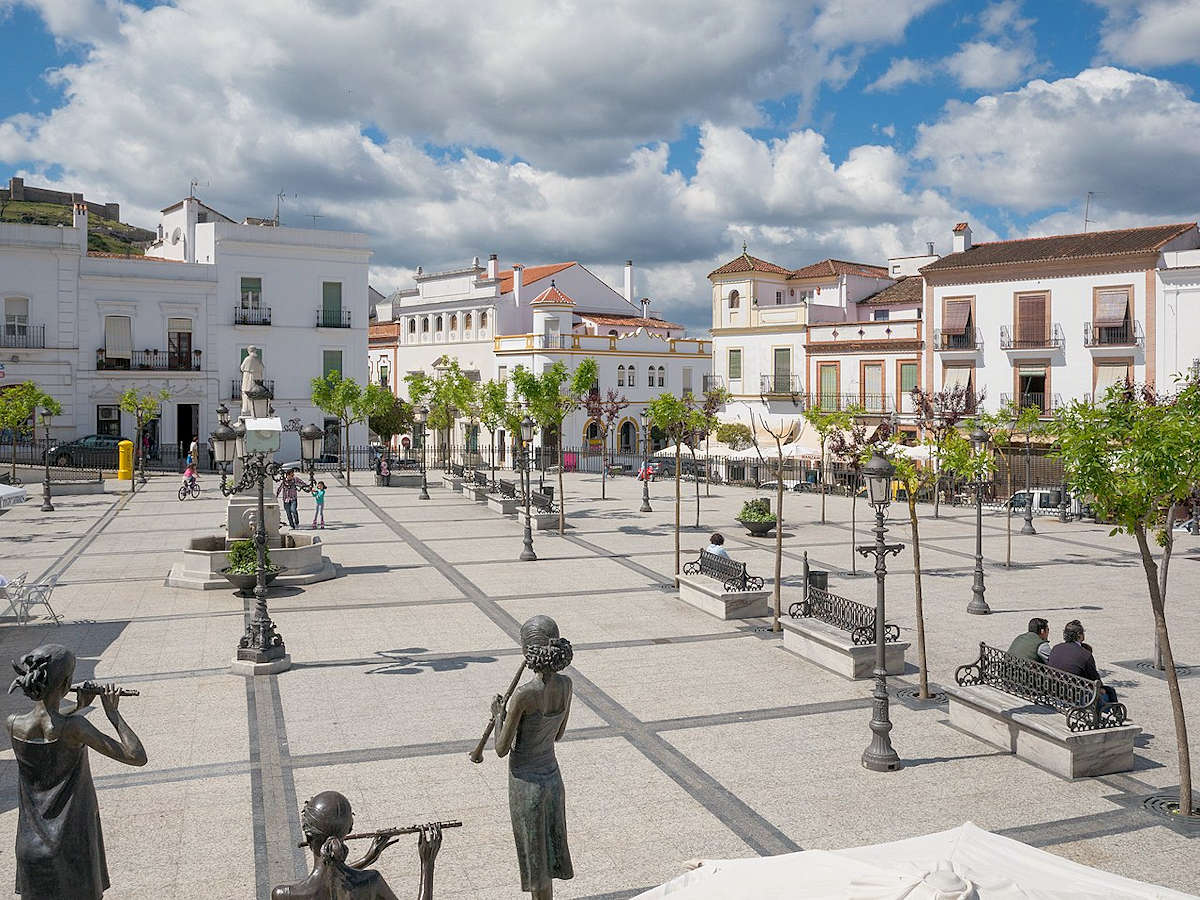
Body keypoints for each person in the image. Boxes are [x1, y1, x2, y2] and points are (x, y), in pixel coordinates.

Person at [7, 644, 147, 899]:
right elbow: (136, 756)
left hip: (30, 847)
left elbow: (46, 727)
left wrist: (76, 706)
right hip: (70, 845)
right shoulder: (75, 728)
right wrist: (113, 714)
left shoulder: (13, 724)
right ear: (66, 683)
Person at [493, 616, 574, 900]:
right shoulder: (566, 685)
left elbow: (501, 749)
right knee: (548, 856)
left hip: (525, 782)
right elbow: (559, 734)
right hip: (552, 778)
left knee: (535, 859)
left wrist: (498, 716)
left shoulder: (524, 695)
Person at [271, 790, 441, 900]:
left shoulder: (284, 895)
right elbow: (337, 880)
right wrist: (427, 864)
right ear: (349, 829)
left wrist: (366, 859)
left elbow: (329, 881)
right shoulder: (371, 882)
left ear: (308, 837)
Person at [1047, 620, 1118, 704]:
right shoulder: (1085, 654)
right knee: (1109, 691)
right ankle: (1116, 714)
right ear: (1079, 635)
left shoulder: (1056, 648)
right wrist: (1101, 689)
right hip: (1075, 697)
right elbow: (1094, 678)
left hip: (1055, 692)